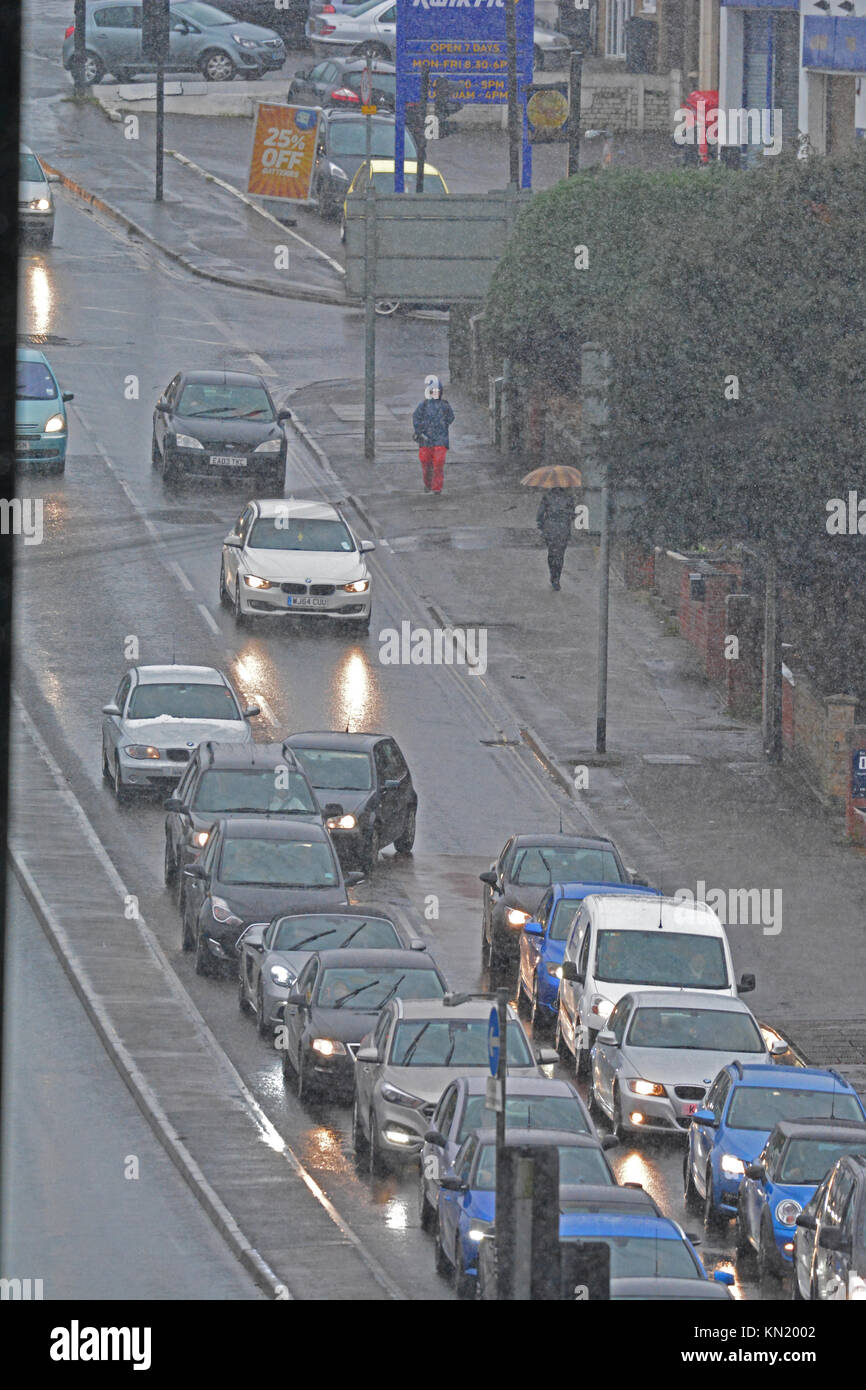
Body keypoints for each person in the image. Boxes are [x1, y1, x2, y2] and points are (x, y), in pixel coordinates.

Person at [412, 375, 454, 495]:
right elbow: (416, 418)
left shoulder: (444, 405)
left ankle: (437, 487)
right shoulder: (423, 405)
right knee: (426, 463)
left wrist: (442, 426)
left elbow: (450, 417)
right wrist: (420, 430)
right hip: (426, 440)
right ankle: (428, 484)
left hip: (440, 439)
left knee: (438, 463)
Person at [536, 486, 575, 590]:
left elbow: (540, 514)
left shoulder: (547, 496)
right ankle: (557, 578)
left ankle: (553, 575)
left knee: (552, 553)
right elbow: (573, 515)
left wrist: (541, 525)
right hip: (563, 530)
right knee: (560, 555)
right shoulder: (569, 497)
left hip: (550, 529)